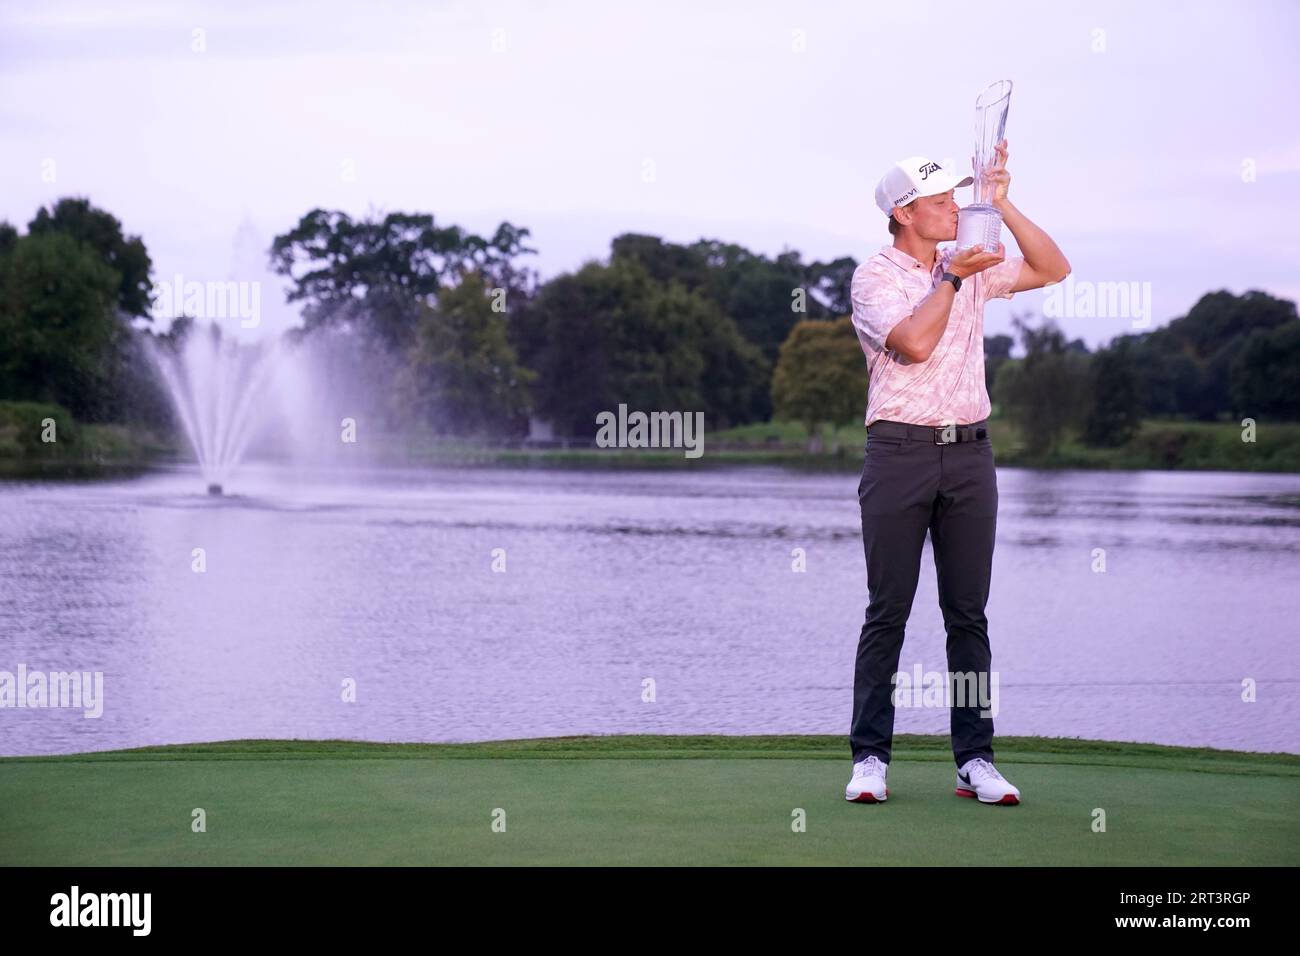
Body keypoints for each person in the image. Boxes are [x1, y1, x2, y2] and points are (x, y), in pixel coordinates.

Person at [844, 142, 1070, 806]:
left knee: (967, 614)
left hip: (971, 456)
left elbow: (1053, 268)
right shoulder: (876, 277)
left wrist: (1001, 203)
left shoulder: (967, 264)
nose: (956, 210)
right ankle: (870, 760)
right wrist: (952, 280)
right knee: (887, 611)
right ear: (906, 213)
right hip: (899, 453)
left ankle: (975, 759)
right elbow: (912, 345)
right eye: (943, 202)